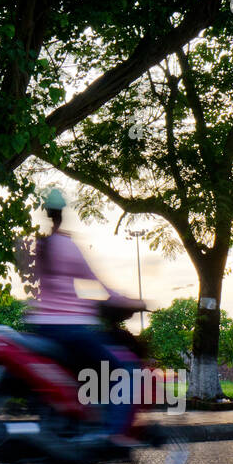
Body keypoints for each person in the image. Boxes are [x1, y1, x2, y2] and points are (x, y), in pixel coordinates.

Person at [25, 188, 145, 446]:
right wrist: (134, 301)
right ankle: (113, 432)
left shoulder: (40, 246)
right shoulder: (67, 246)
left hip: (42, 329)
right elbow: (100, 285)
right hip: (72, 330)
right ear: (63, 214)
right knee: (125, 370)